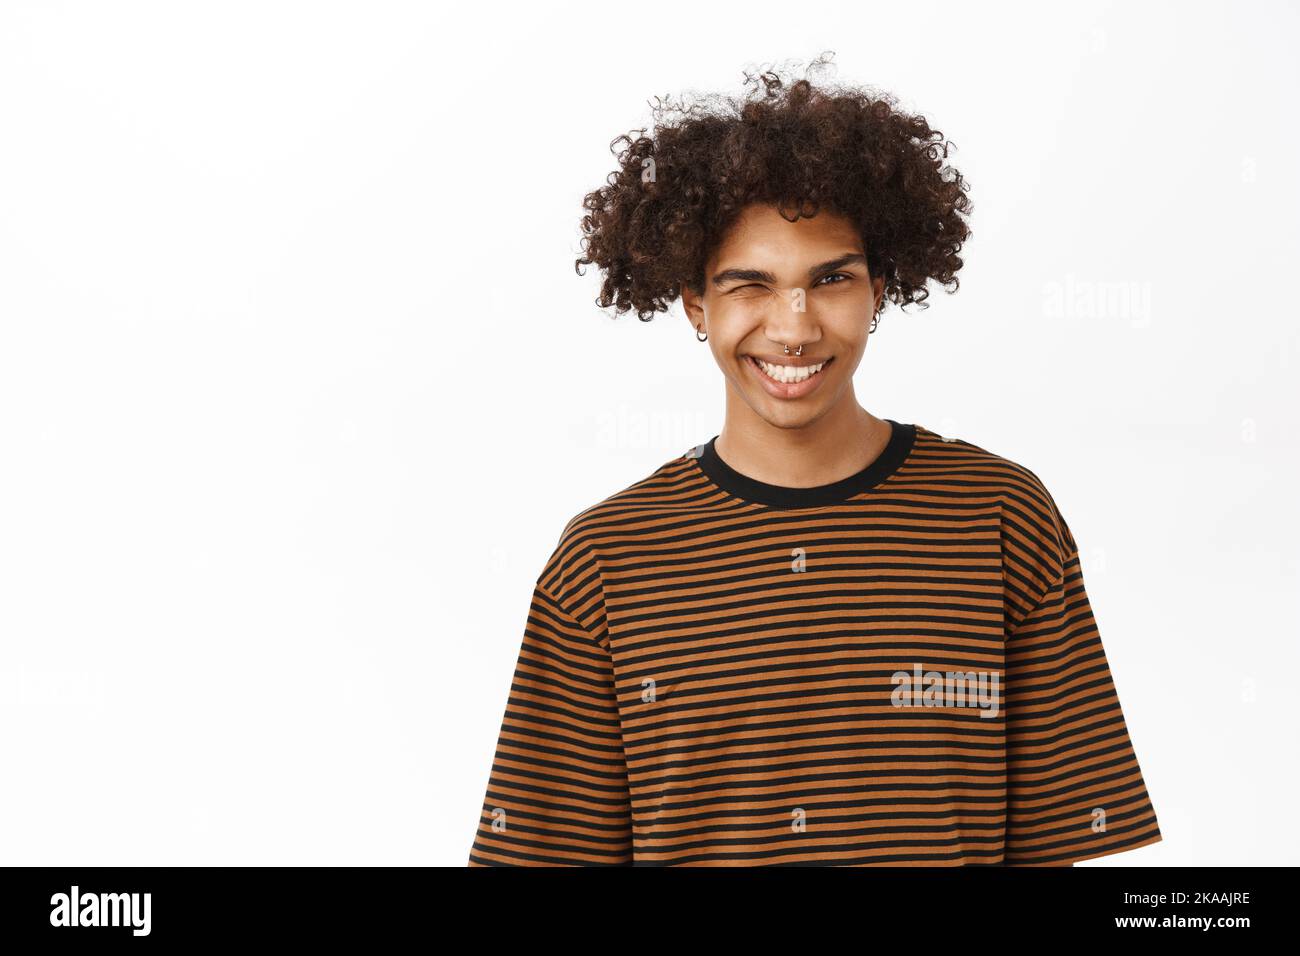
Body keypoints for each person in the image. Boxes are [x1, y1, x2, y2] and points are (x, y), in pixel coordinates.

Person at [468, 56, 1161, 867]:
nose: (793, 326)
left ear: (881, 289)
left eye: (831, 279)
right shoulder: (606, 562)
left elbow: (1056, 843)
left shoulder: (999, 517)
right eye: (749, 285)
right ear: (696, 304)